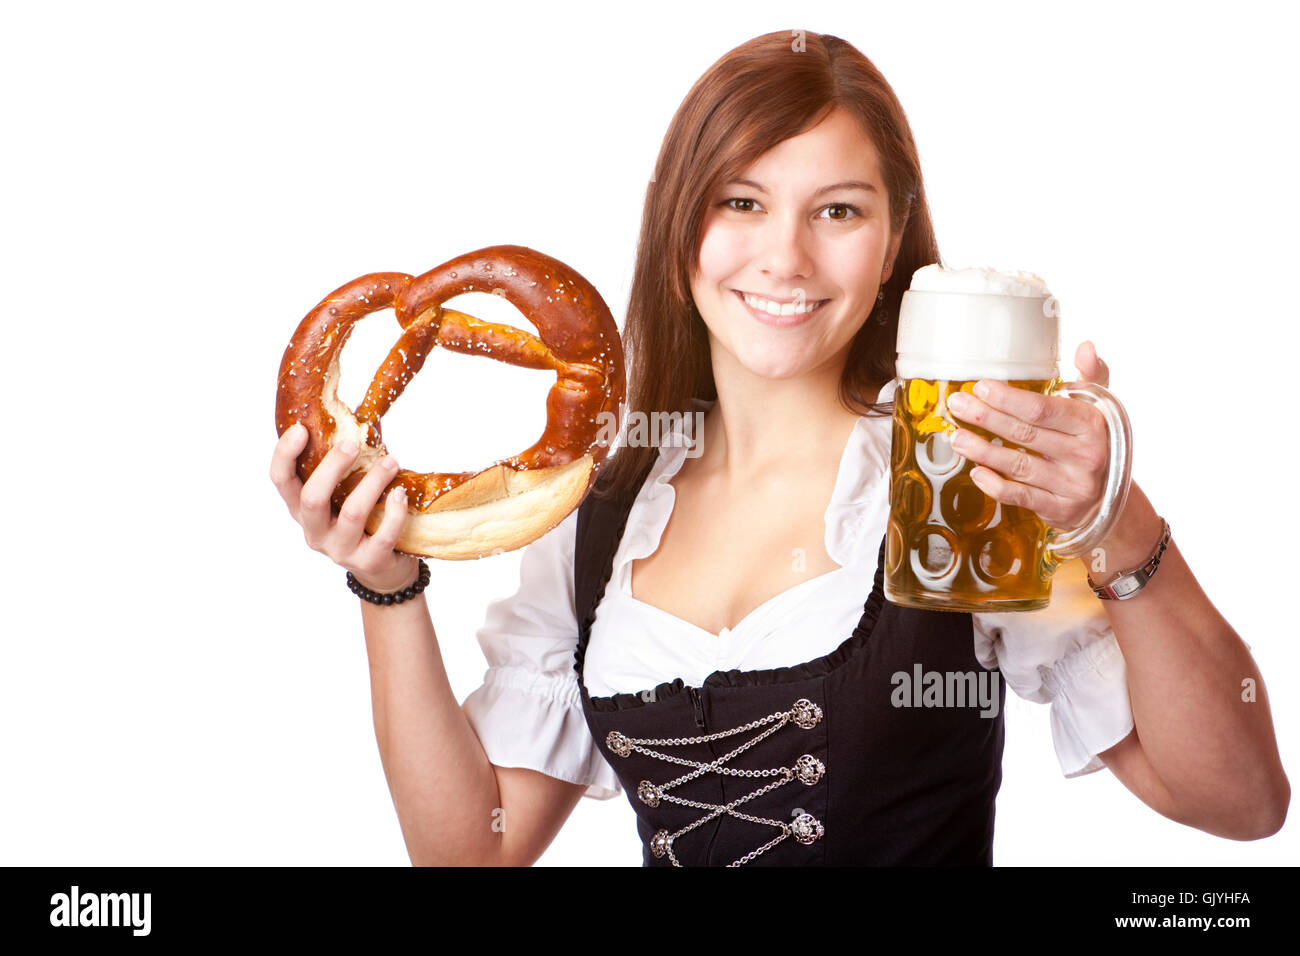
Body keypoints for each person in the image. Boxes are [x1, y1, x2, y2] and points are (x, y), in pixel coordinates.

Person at [269, 30, 1289, 866]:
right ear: (683, 231)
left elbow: (1240, 802)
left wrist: (1117, 519)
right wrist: (388, 583)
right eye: (741, 202)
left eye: (837, 211)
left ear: (893, 242)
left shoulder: (957, 484)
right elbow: (470, 853)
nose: (785, 257)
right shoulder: (595, 517)